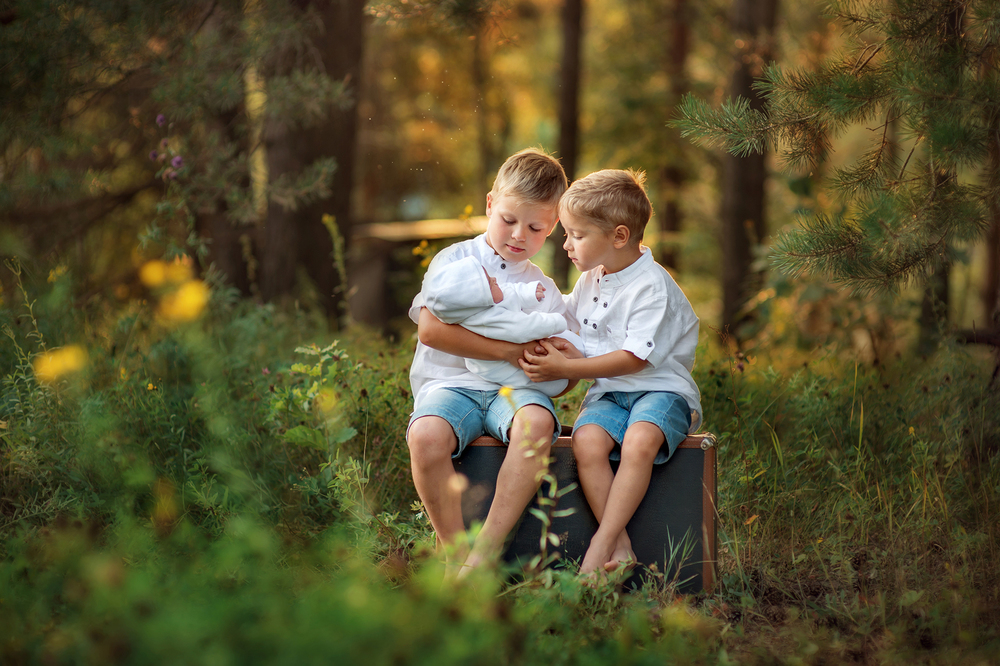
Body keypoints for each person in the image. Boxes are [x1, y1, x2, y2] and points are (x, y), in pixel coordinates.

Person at [519, 168, 702, 577]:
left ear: (619, 236)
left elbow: (634, 359)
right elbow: (566, 319)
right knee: (586, 442)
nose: (566, 244)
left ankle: (601, 542)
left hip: (659, 390)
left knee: (640, 440)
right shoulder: (592, 278)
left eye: (577, 235)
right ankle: (620, 548)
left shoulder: (652, 286)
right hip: (609, 394)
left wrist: (569, 367)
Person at [406, 147, 570, 577]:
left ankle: (484, 555)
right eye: (508, 220)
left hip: (514, 390)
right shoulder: (455, 263)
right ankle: (455, 554)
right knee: (425, 436)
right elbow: (431, 331)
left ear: (553, 226)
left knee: (537, 425)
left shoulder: (543, 289)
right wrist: (507, 351)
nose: (518, 235)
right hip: (450, 385)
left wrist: (557, 368)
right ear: (490, 204)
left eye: (535, 227)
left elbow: (565, 367)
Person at [421, 255, 582, 397]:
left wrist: (529, 292)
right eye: (489, 283)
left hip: (498, 360)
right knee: (528, 375)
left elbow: (508, 292)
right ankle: (556, 383)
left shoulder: (481, 304)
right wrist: (556, 322)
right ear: (479, 299)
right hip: (499, 368)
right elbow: (523, 327)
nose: (494, 279)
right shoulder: (488, 319)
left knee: (567, 347)